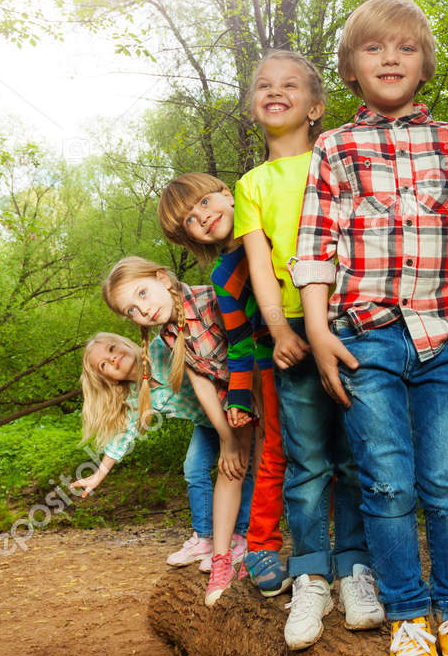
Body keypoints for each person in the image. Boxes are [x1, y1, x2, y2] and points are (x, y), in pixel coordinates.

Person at [291, 0, 448, 656]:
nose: (390, 57)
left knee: (446, 482)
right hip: (366, 341)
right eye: (374, 48)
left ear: (424, 65)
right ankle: (408, 620)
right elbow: (315, 248)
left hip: (447, 336)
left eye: (405, 48)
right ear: (351, 69)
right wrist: (318, 331)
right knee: (385, 481)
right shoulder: (335, 148)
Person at [234, 50, 384, 650]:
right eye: (264, 86)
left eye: (290, 84)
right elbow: (260, 268)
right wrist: (280, 331)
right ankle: (311, 575)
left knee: (356, 458)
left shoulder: (338, 158)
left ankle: (354, 571)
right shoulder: (251, 185)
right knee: (306, 462)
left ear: (315, 106)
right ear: (253, 107)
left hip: (354, 321)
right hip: (293, 333)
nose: (276, 91)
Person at [157, 171, 292, 597]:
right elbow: (238, 343)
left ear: (226, 193)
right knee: (269, 459)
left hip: (321, 340)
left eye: (203, 203)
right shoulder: (222, 277)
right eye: (190, 221)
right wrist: (237, 398)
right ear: (190, 239)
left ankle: (340, 560)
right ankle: (238, 554)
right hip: (268, 366)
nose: (202, 217)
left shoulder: (275, 228)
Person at [103, 257, 252, 605]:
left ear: (160, 277)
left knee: (271, 469)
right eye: (132, 310)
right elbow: (202, 384)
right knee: (229, 467)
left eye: (143, 293)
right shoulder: (170, 335)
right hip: (228, 404)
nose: (143, 309)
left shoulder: (210, 299)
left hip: (257, 389)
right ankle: (221, 558)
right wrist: (227, 437)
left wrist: (243, 407)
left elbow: (248, 349)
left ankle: (259, 550)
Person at [70, 332, 235, 572]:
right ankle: (204, 538)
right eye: (104, 364)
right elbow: (122, 438)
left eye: (112, 349)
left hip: (232, 409)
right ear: (109, 380)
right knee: (193, 466)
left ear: (125, 343)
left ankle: (240, 537)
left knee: (237, 470)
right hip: (209, 424)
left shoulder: (161, 348)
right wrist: (98, 475)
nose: (113, 359)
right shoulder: (136, 397)